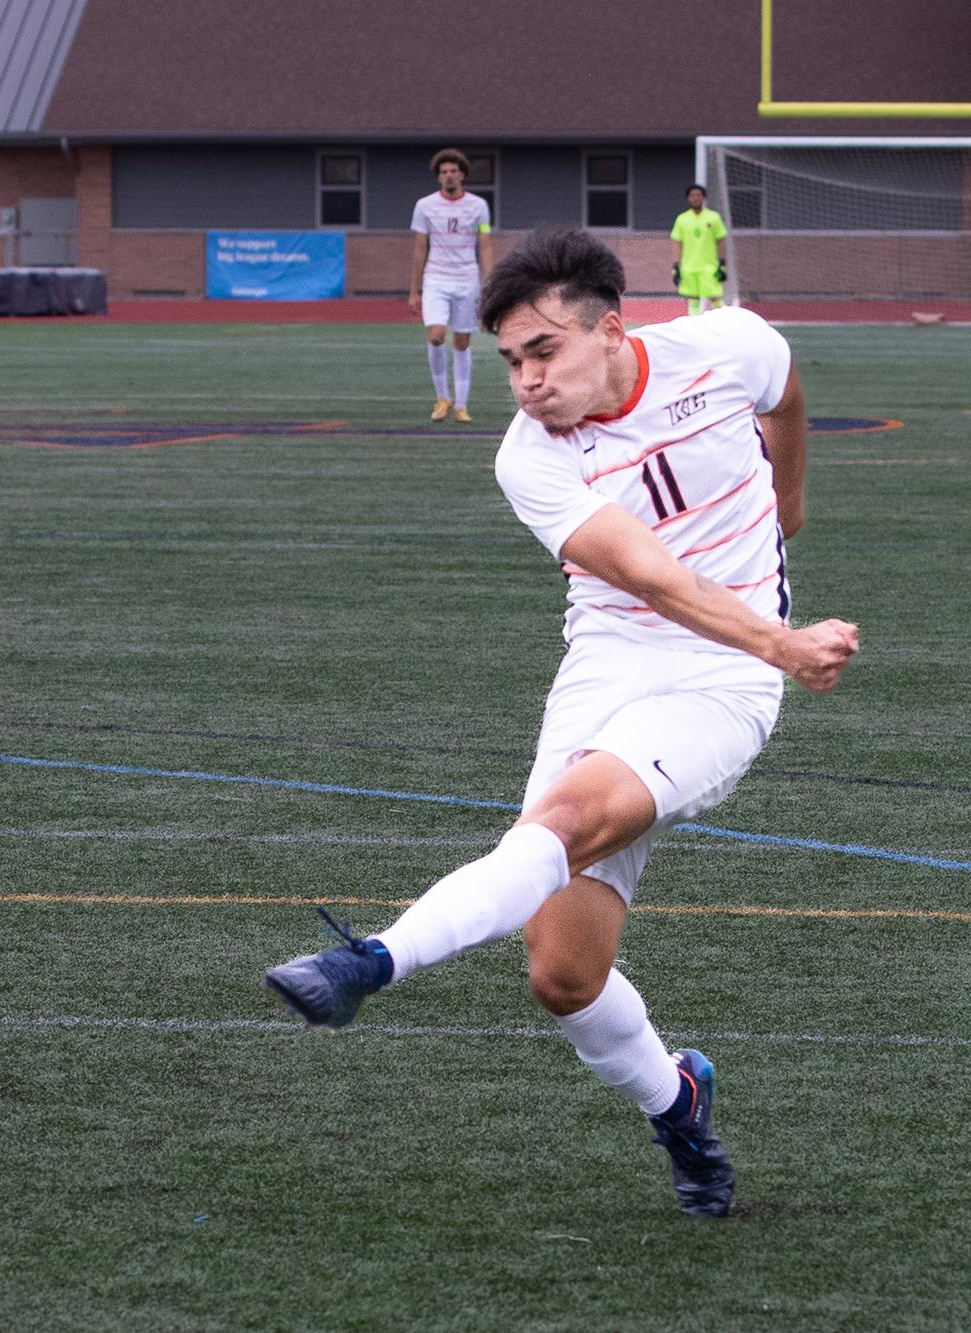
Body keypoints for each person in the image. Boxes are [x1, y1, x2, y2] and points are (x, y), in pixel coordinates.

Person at [264, 226, 859, 1219]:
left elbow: (785, 392)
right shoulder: (528, 460)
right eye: (508, 363)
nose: (525, 381)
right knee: (561, 975)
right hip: (611, 663)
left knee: (565, 821)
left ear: (611, 330)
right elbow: (648, 575)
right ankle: (678, 1103)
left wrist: (784, 505)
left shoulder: (728, 346)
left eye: (542, 352)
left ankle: (368, 960)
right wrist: (782, 639)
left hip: (719, 678)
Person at [409, 149, 492, 423]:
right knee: (435, 335)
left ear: (462, 174)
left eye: (453, 171)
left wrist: (489, 283)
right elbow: (420, 248)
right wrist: (414, 289)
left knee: (462, 341)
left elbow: (486, 245)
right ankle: (442, 397)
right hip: (436, 279)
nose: (449, 176)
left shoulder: (479, 206)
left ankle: (461, 404)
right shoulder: (425, 206)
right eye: (444, 172)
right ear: (438, 177)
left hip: (467, 279)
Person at [670, 184, 730, 315]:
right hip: (689, 267)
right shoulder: (682, 219)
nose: (695, 198)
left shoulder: (713, 218)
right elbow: (676, 243)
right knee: (693, 301)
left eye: (698, 195)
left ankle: (725, 326)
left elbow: (721, 241)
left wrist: (722, 264)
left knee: (716, 299)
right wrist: (675, 266)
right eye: (692, 195)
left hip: (709, 267)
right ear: (688, 198)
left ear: (704, 198)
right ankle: (694, 329)